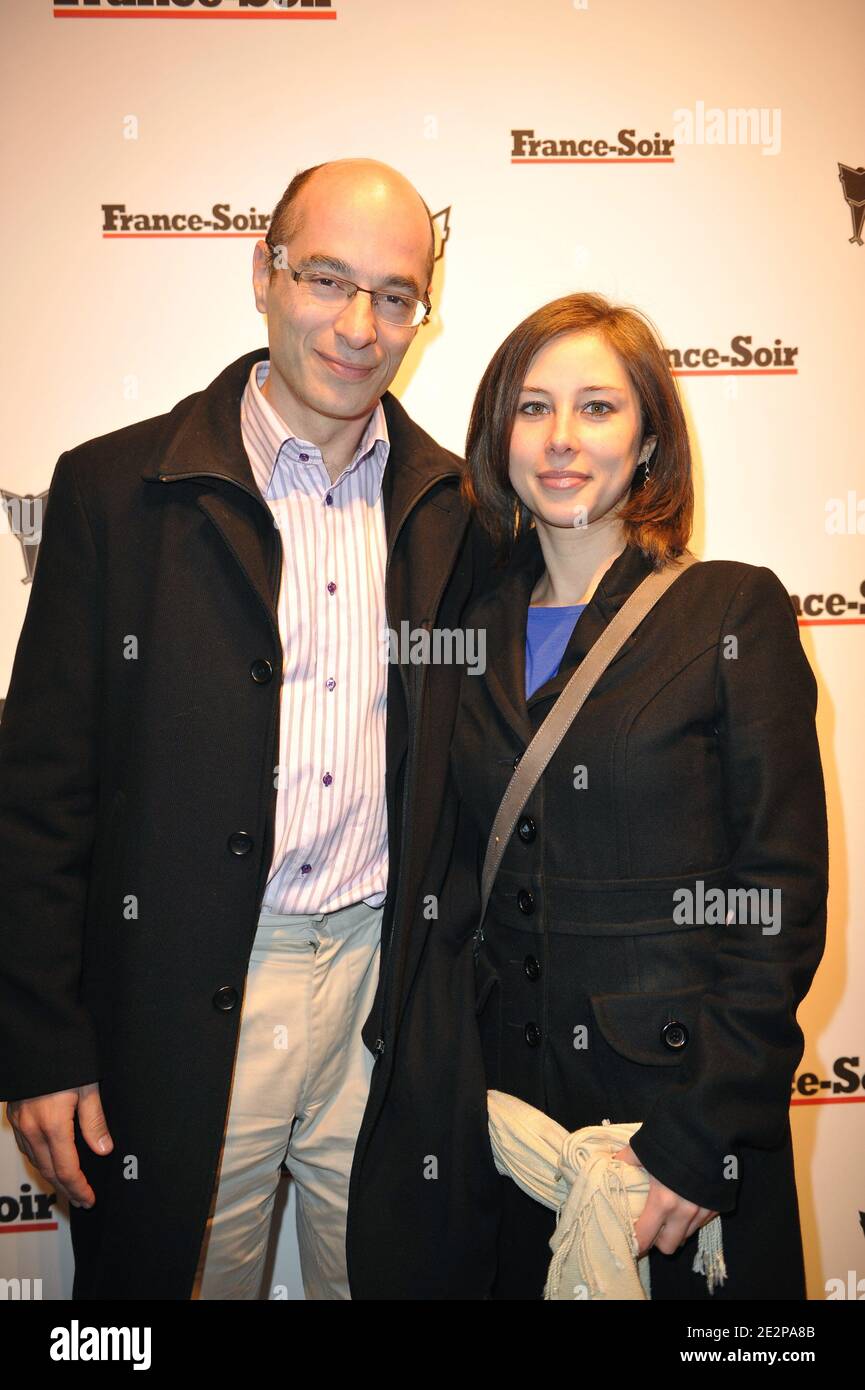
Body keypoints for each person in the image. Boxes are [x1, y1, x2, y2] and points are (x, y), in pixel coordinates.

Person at [0, 157, 493, 1300]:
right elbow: (38, 796)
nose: (361, 326)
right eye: (327, 278)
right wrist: (41, 1041)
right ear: (262, 272)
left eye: (396, 294)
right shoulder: (119, 490)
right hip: (188, 990)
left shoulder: (458, 511)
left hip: (387, 991)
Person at [349, 290, 829, 1300]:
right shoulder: (462, 622)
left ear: (650, 434)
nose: (562, 438)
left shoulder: (730, 607)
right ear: (498, 432)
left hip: (672, 1134)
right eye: (532, 407)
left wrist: (703, 1138)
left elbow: (774, 899)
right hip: (503, 1128)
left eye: (598, 408)